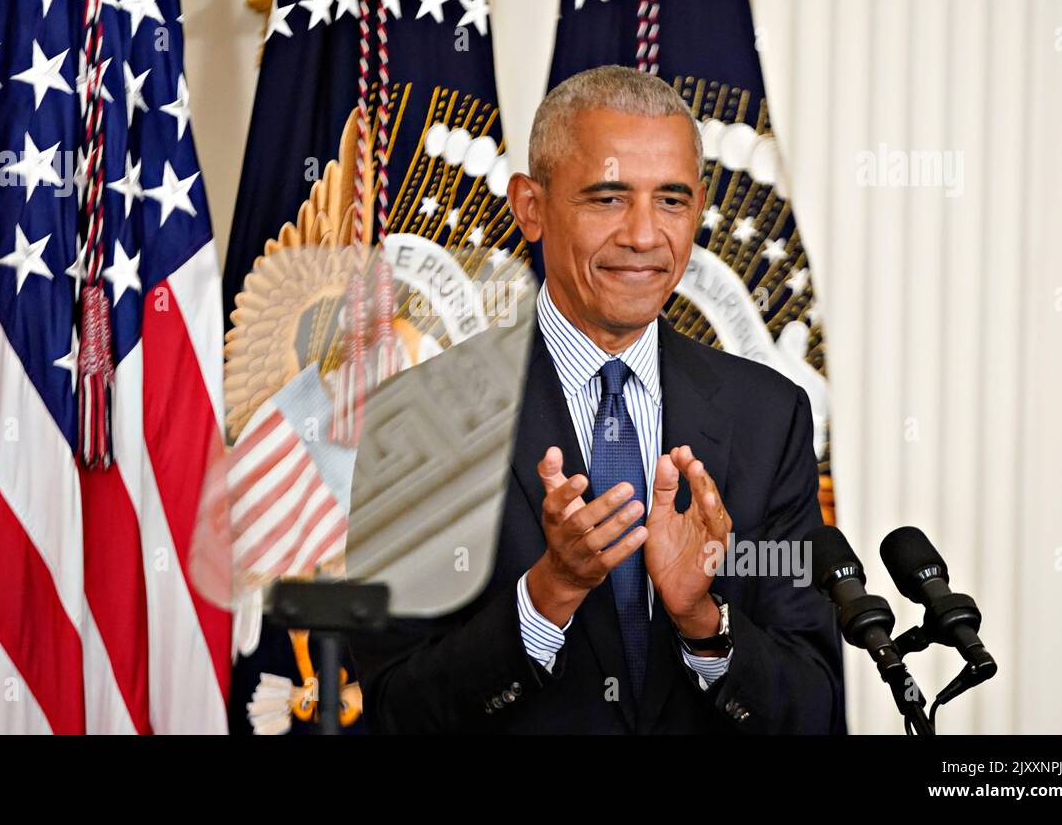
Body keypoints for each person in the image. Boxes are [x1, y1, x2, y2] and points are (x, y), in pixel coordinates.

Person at [350, 65, 845, 733]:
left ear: (698, 207)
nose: (644, 236)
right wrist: (548, 595)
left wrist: (703, 621)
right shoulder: (419, 420)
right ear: (530, 205)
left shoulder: (768, 416)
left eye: (670, 200)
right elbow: (392, 712)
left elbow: (811, 706)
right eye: (608, 198)